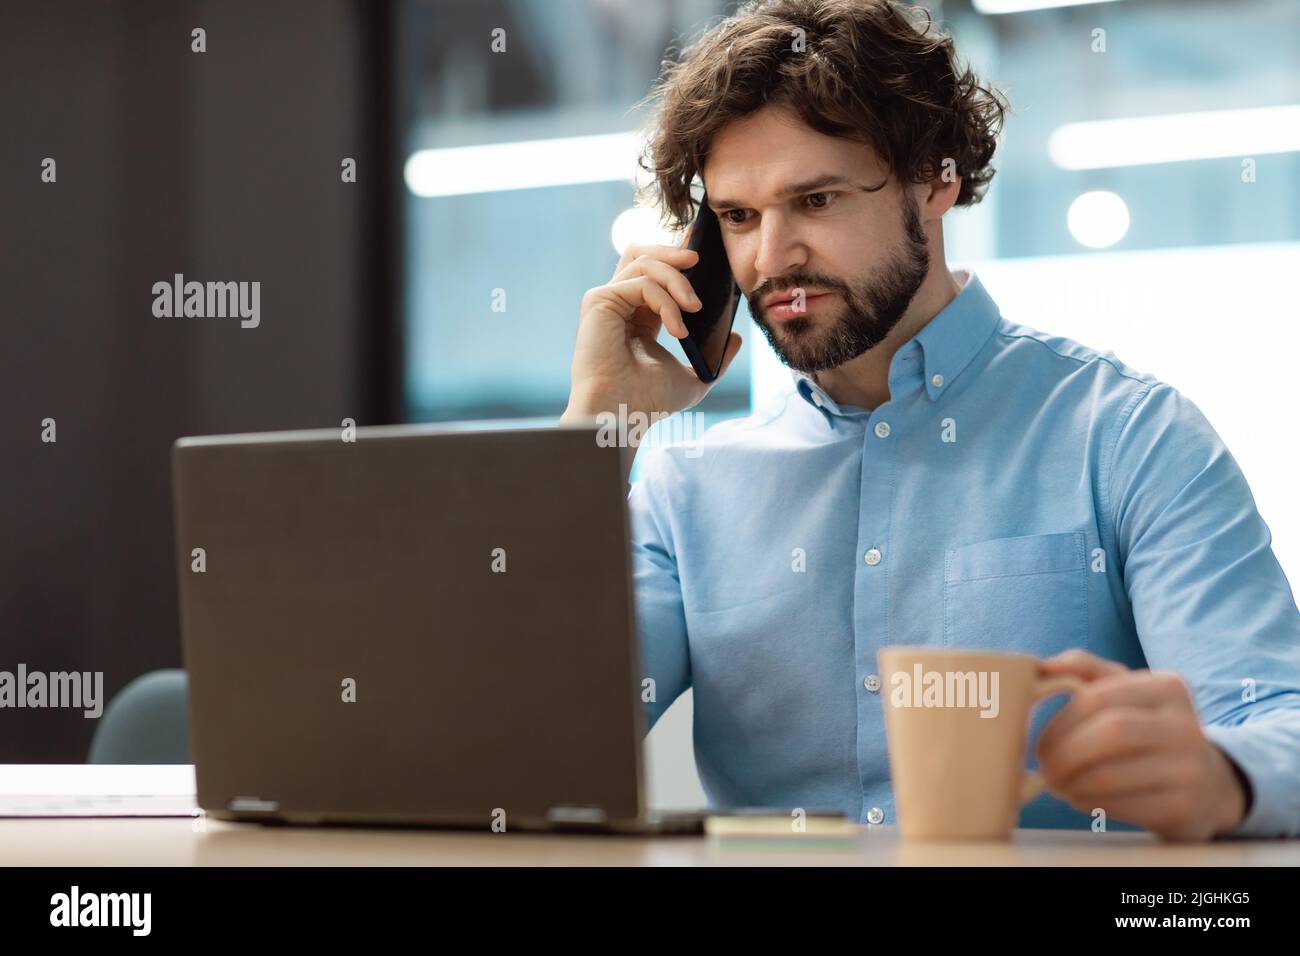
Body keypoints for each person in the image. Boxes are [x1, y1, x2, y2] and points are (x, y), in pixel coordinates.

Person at [560, 0, 1299, 840]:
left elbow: (1278, 718)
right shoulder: (684, 487)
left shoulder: (1128, 436)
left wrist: (1222, 777)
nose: (771, 258)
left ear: (936, 178)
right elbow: (533, 750)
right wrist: (597, 429)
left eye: (817, 198)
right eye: (738, 216)